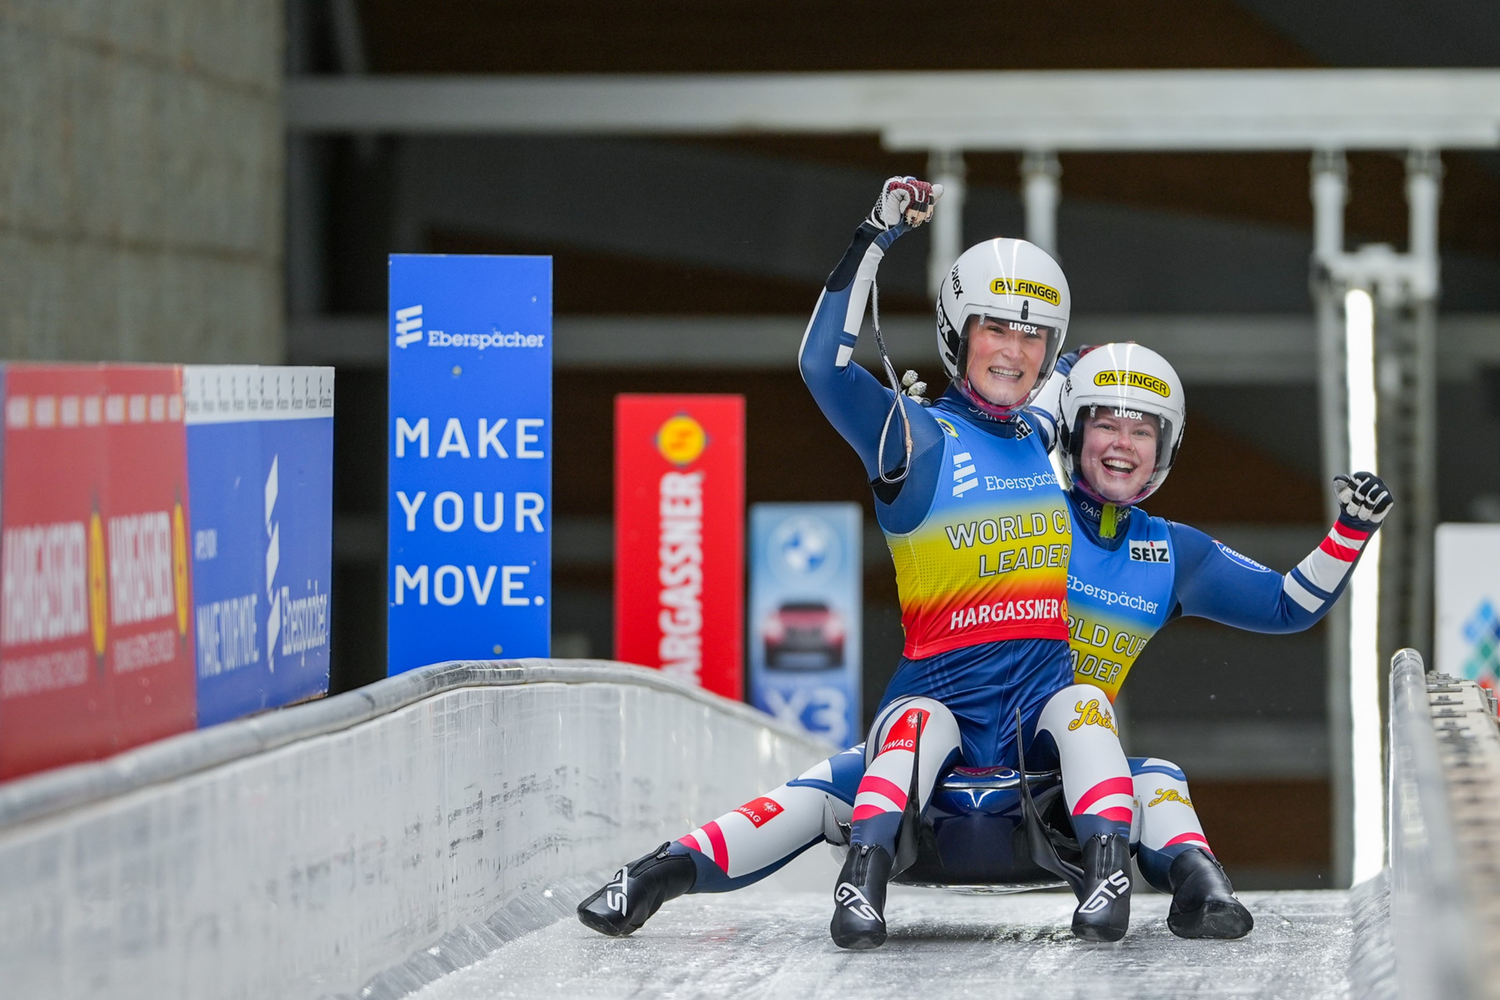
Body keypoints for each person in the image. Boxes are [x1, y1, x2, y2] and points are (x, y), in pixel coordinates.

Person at [577, 334, 1392, 943]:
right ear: (1066, 436)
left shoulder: (1172, 552)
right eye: (1103, 424)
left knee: (1159, 775)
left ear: (1164, 454)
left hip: (1057, 786)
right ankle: (654, 877)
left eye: (1142, 432)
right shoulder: (1015, 495)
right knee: (810, 792)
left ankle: (1200, 892)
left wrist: (1349, 534)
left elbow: (1289, 606)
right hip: (938, 759)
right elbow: (968, 447)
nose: (1120, 443)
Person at [582, 177, 1142, 949]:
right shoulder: (910, 436)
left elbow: (1090, 387)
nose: (1015, 352)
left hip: (1031, 741)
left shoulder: (1050, 432)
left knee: (1089, 715)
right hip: (932, 730)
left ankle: (1117, 880)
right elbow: (821, 366)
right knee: (819, 791)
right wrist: (875, 236)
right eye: (995, 330)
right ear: (956, 332)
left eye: (1033, 335)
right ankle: (660, 875)